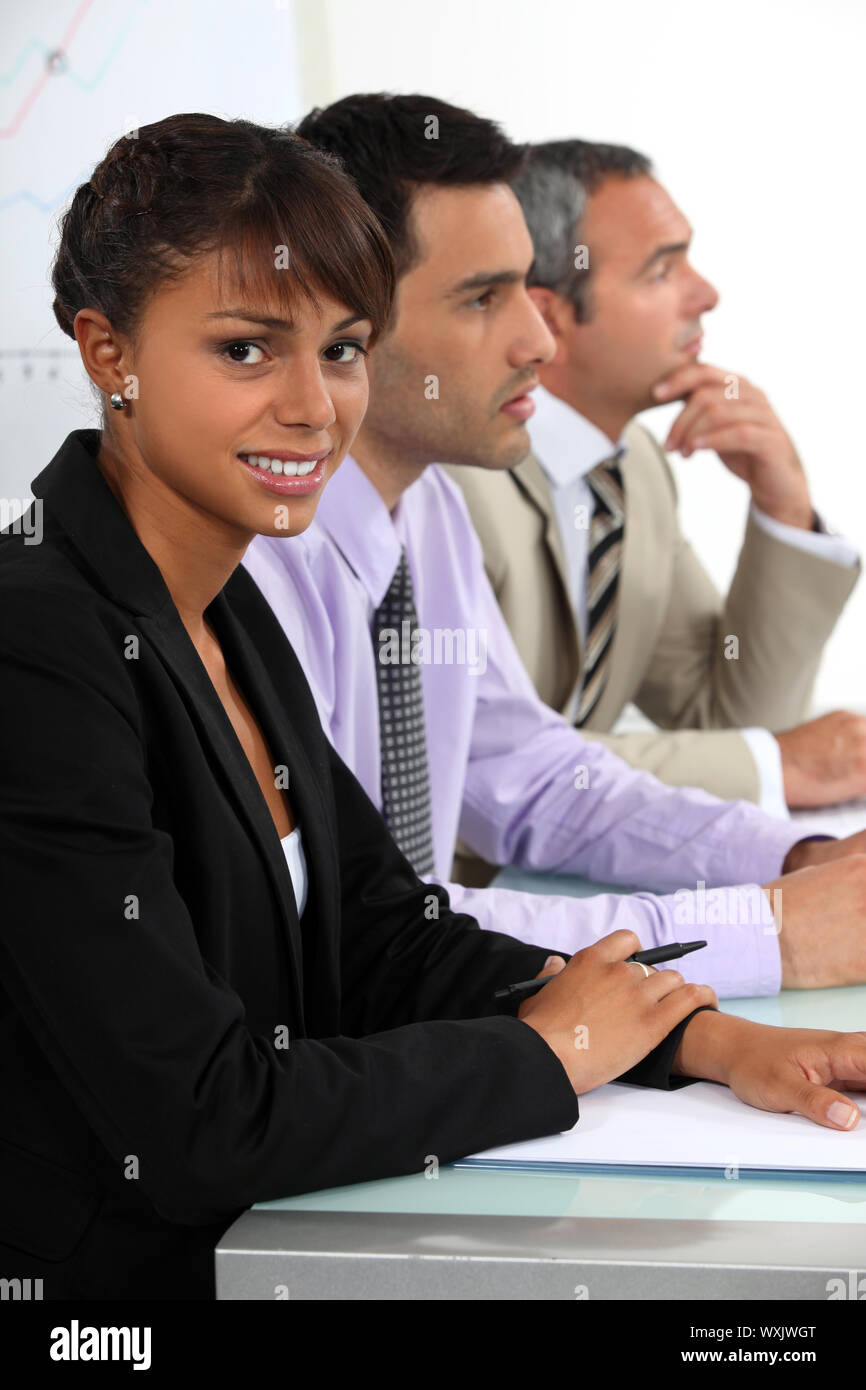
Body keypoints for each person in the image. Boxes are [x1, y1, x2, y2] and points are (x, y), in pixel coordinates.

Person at [1, 112, 719, 1300]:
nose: (312, 404)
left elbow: (387, 935)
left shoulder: (224, 604)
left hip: (278, 1247)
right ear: (107, 352)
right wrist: (544, 1052)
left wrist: (690, 1036)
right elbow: (201, 1118)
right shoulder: (37, 644)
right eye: (245, 349)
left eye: (340, 349)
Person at [243, 93, 866, 1000]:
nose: (540, 338)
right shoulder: (256, 563)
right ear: (344, 321)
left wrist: (796, 857)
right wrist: (765, 931)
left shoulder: (427, 510)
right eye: (483, 298)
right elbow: (362, 930)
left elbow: (534, 779)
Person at [449, 138, 863, 814]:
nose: (707, 294)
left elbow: (725, 721)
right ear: (549, 318)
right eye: (661, 271)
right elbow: (477, 763)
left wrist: (784, 506)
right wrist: (773, 763)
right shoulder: (451, 478)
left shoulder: (631, 466)